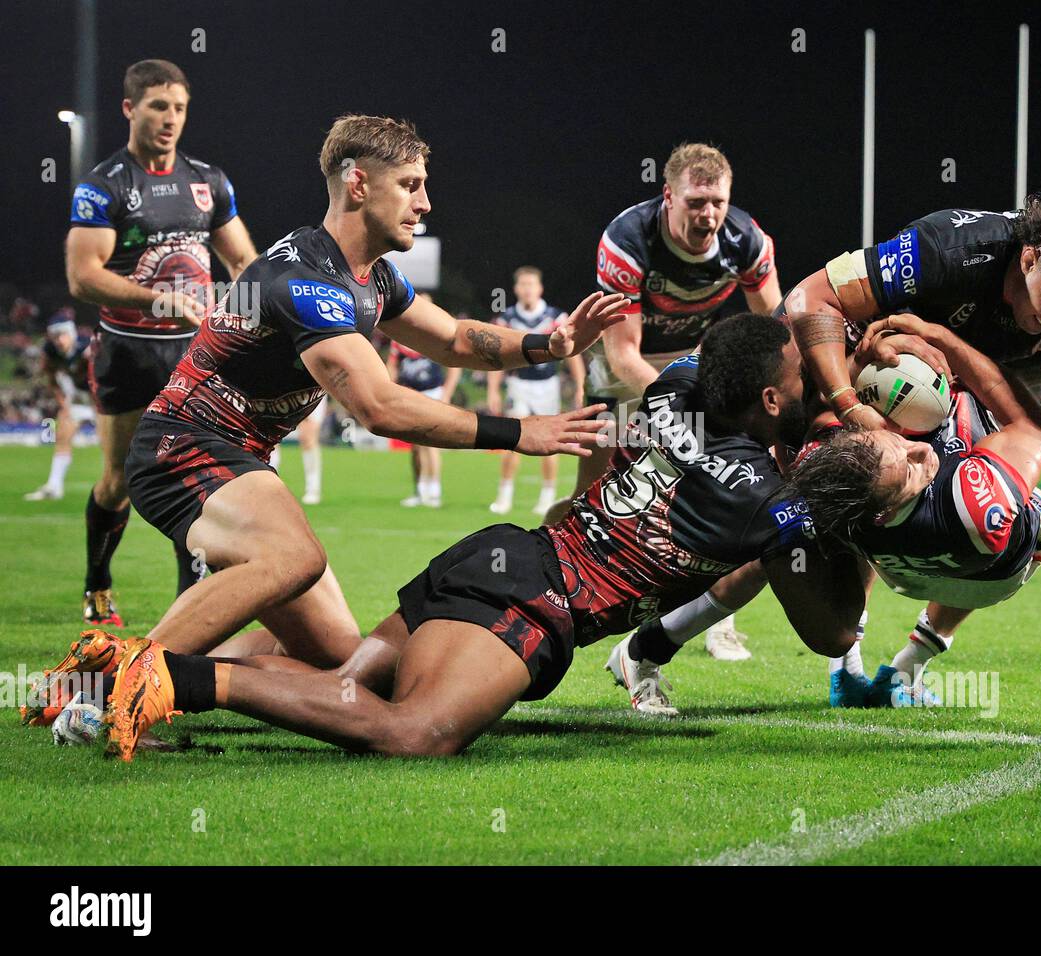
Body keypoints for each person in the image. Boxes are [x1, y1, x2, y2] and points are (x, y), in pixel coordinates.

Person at [99, 313, 865, 760]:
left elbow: (677, 384)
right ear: (769, 399)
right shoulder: (768, 502)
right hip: (533, 599)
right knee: (415, 733)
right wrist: (852, 504)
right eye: (808, 376)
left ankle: (136, 667)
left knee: (353, 684)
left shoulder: (678, 389)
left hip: (505, 556)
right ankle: (178, 680)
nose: (823, 381)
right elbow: (832, 633)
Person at [88, 114, 621, 674]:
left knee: (342, 662)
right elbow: (379, 407)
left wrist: (549, 344)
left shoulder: (373, 275)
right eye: (410, 186)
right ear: (359, 184)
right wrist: (517, 433)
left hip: (236, 455)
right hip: (184, 447)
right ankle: (117, 694)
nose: (426, 203)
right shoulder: (306, 281)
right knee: (293, 558)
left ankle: (112, 677)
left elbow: (453, 338)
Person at [622, 192, 1041, 702]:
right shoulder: (952, 247)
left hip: (925, 400)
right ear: (1028, 259)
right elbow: (809, 300)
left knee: (1011, 524)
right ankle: (654, 645)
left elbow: (1028, 379)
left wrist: (943, 357)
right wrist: (852, 401)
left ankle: (900, 669)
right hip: (824, 384)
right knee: (792, 533)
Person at [547, 142, 782, 662]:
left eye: (717, 202)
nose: (709, 214)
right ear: (668, 196)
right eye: (696, 202)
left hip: (697, 362)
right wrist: (679, 414)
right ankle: (550, 579)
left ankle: (716, 622)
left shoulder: (747, 240)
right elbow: (623, 351)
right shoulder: (628, 240)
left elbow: (776, 328)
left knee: (712, 493)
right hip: (622, 364)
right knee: (593, 499)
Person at [66, 59, 258, 622]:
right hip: (128, 352)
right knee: (119, 482)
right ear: (129, 109)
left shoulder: (208, 182)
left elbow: (244, 260)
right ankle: (98, 583)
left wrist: (251, 318)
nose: (170, 118)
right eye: (157, 106)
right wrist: (156, 299)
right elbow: (83, 275)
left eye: (178, 108)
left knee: (196, 478)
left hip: (195, 357)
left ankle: (188, 607)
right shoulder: (104, 187)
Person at [786, 313, 1041, 704]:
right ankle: (907, 670)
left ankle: (846, 668)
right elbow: (1036, 424)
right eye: (909, 469)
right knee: (1038, 507)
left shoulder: (824, 471)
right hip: (988, 573)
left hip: (895, 568)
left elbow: (821, 412)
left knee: (847, 503)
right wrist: (941, 337)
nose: (920, 452)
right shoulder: (975, 503)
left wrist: (857, 378)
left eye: (897, 443)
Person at [487, 266, 584, 516]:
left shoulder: (556, 318)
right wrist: (493, 391)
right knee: (512, 439)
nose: (528, 289)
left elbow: (572, 354)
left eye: (532, 284)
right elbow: (495, 358)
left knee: (551, 441)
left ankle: (548, 497)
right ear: (516, 289)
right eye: (523, 285)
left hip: (547, 385)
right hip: (519, 384)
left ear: (540, 288)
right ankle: (504, 494)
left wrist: (580, 385)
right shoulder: (505, 319)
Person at [386, 312, 461, 507]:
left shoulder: (435, 336)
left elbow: (455, 365)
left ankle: (434, 490)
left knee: (431, 443)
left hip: (433, 393)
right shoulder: (400, 339)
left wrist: (447, 392)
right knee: (416, 446)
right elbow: (392, 367)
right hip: (410, 394)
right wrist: (388, 388)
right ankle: (420, 490)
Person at [24, 313, 94, 502]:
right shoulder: (50, 351)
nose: (58, 340)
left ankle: (127, 485)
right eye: (54, 336)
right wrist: (63, 402)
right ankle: (54, 486)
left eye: (62, 334)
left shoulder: (89, 346)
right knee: (62, 436)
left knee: (112, 445)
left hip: (102, 398)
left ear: (71, 333)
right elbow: (50, 377)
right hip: (79, 398)